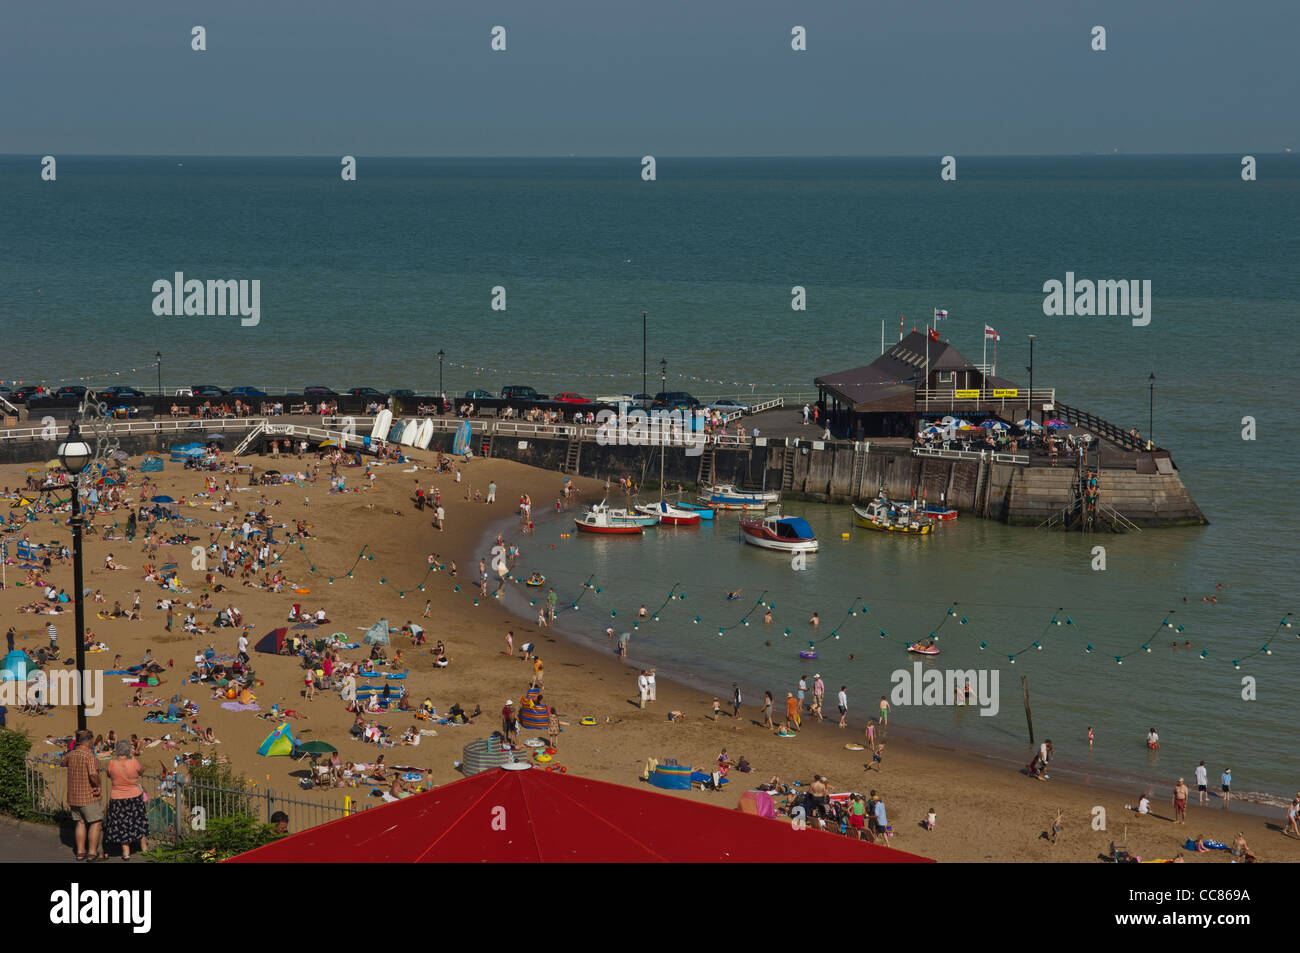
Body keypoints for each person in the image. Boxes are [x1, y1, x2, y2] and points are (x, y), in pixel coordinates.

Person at [61, 729, 105, 861]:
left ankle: (80, 851)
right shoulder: (89, 756)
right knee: (95, 822)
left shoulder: (71, 754)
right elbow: (92, 774)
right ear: (89, 741)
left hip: (74, 795)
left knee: (80, 822)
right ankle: (92, 852)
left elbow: (63, 762)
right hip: (88, 795)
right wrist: (98, 785)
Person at [103, 740, 148, 860]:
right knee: (139, 821)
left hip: (118, 797)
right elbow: (141, 771)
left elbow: (109, 775)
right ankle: (144, 847)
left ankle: (126, 852)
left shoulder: (112, 764)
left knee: (121, 824)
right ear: (128, 750)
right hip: (134, 795)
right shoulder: (133, 762)